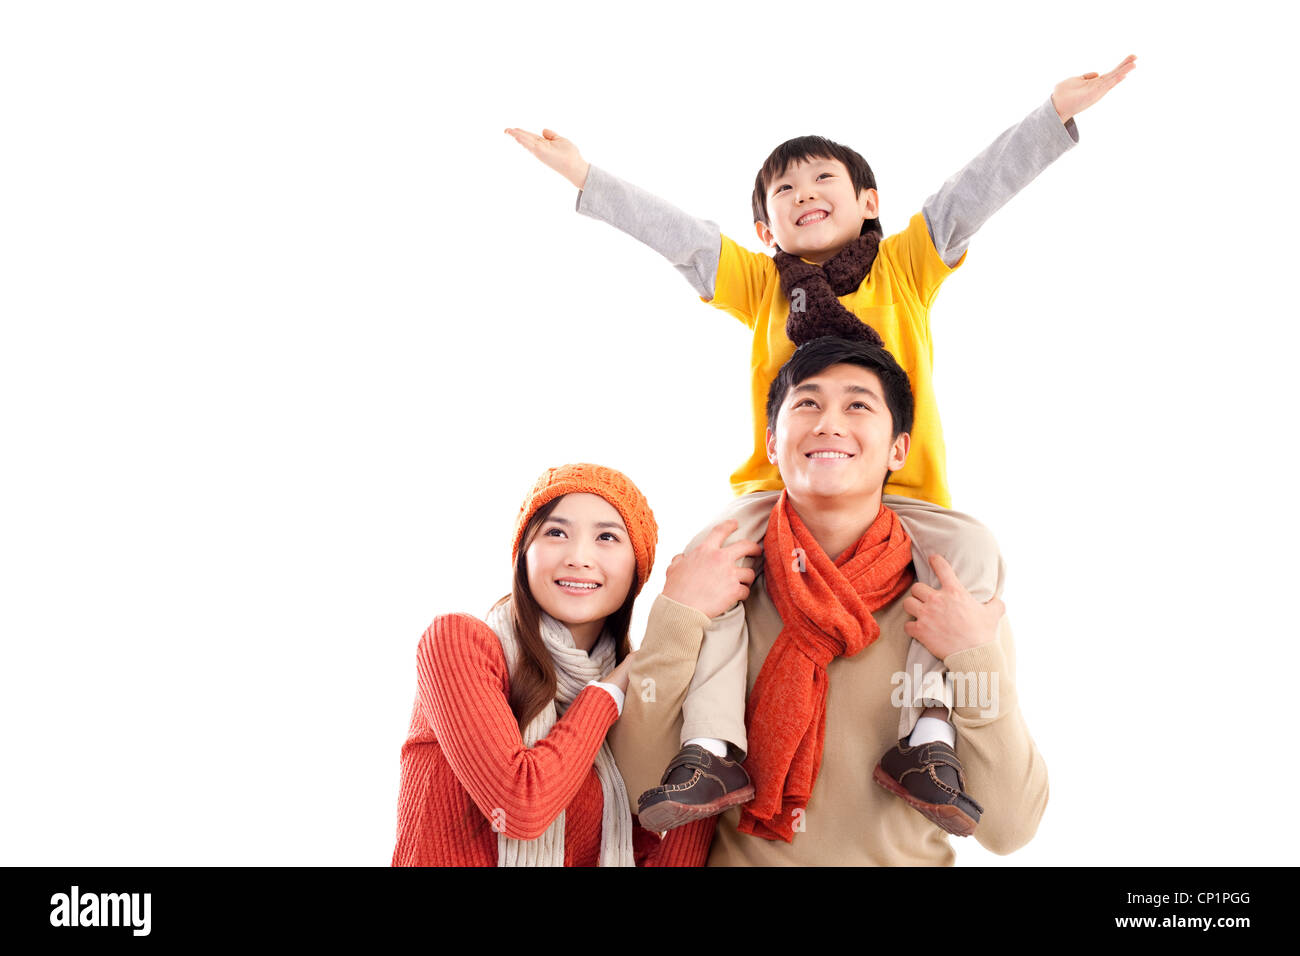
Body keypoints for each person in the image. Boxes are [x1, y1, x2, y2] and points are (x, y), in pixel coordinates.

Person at [505, 55, 1132, 832]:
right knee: (715, 572)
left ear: (869, 203)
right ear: (765, 228)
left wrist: (1052, 117)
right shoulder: (759, 283)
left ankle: (928, 737)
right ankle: (711, 745)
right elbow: (679, 237)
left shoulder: (905, 264)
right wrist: (586, 178)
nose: (806, 196)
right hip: (777, 495)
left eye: (824, 182)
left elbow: (972, 194)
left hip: (906, 498)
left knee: (970, 554)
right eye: (785, 191)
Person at [608, 336, 1048, 864]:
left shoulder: (952, 601)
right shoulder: (719, 586)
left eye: (858, 405)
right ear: (772, 443)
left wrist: (976, 655)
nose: (828, 423)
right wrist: (676, 615)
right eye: (807, 403)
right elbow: (638, 788)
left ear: (898, 449)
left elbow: (1010, 828)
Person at [391, 463, 712, 866]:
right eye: (556, 532)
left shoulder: (631, 712)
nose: (579, 558)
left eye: (607, 537)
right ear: (524, 554)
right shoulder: (456, 643)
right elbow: (521, 806)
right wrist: (621, 679)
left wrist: (704, 777)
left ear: (637, 568)